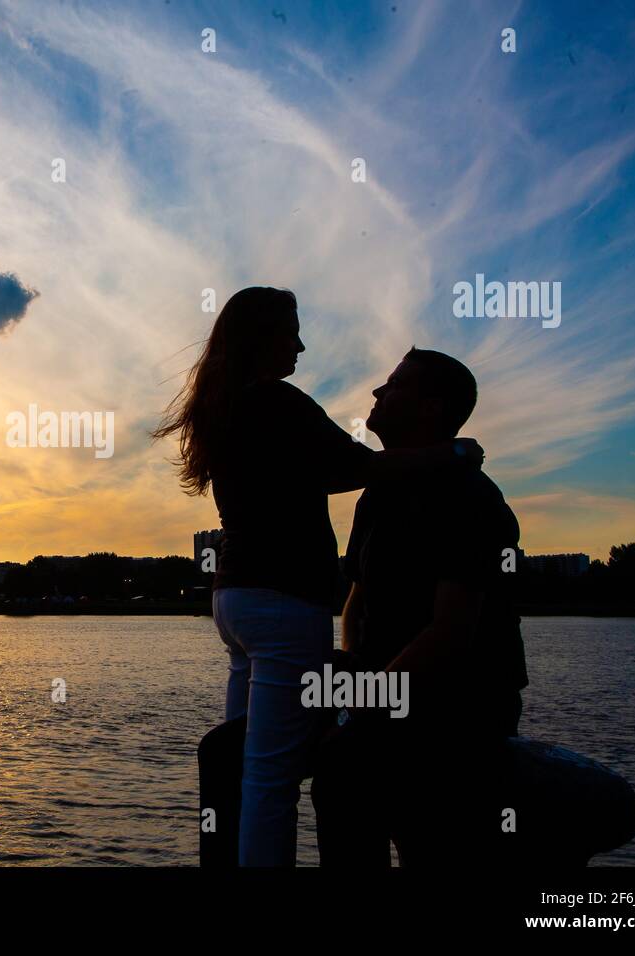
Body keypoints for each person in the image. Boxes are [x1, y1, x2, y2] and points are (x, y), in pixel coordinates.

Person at [153, 288, 482, 866]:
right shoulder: (276, 402)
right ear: (261, 338)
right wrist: (452, 454)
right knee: (270, 776)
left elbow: (328, 476)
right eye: (291, 331)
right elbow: (359, 466)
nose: (301, 344)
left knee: (241, 755)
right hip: (284, 602)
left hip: (235, 599)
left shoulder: (229, 408)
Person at [312, 347, 528, 866]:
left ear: (432, 408)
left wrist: (366, 703)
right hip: (389, 696)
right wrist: (355, 678)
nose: (377, 393)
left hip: (456, 709)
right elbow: (355, 606)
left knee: (411, 825)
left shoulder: (469, 498)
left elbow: (451, 635)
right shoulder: (379, 493)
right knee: (333, 779)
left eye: (395, 384)